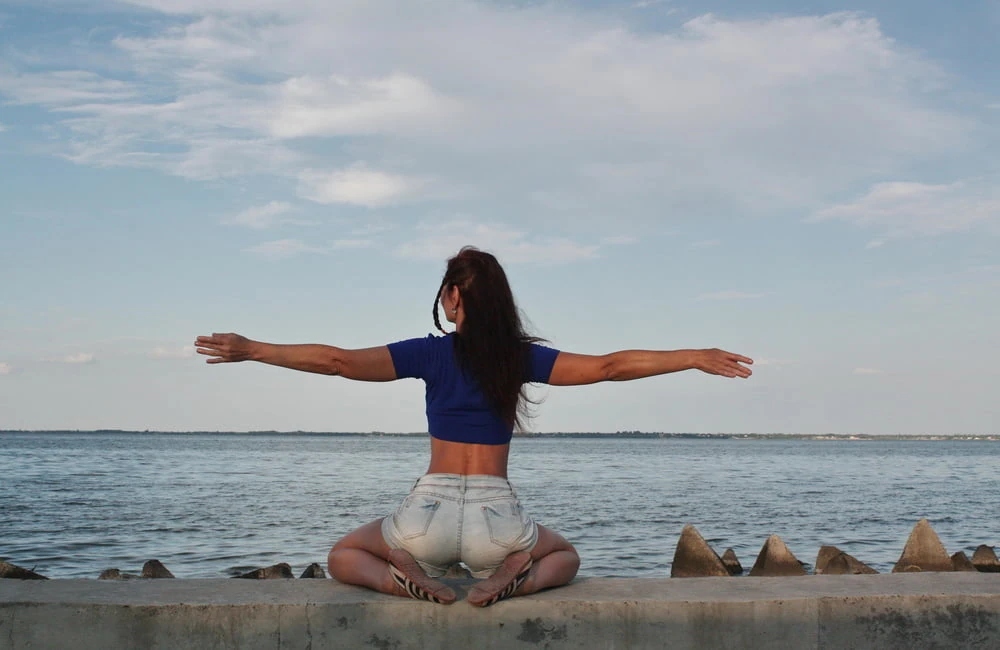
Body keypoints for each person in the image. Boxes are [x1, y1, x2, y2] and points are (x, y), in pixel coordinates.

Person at [195, 246, 752, 606]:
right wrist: (692, 356)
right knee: (565, 557)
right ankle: (515, 577)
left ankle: (401, 578)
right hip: (497, 522)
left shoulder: (428, 354)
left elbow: (338, 361)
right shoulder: (520, 358)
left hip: (424, 517)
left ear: (454, 296)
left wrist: (254, 349)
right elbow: (608, 367)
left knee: (344, 555)